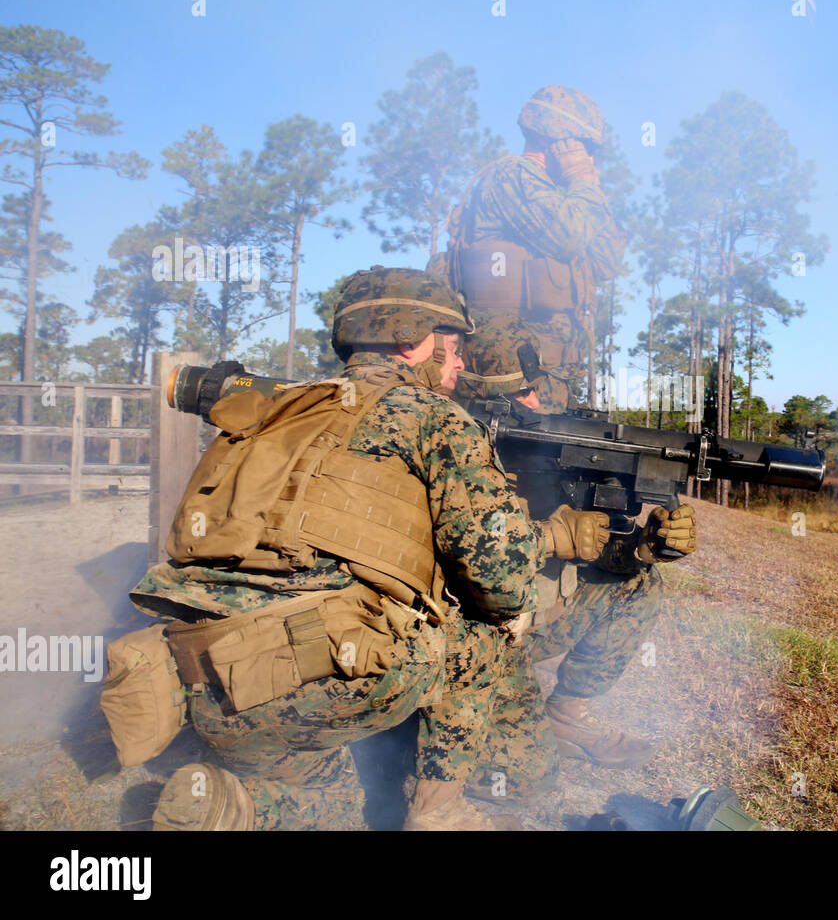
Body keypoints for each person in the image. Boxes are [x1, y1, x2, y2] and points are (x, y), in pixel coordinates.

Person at [127, 266, 596, 830]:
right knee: (483, 622)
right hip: (328, 678)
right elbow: (501, 581)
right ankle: (439, 813)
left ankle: (236, 808)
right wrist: (550, 539)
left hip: (203, 680)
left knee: (338, 805)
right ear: (409, 337)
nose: (459, 364)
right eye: (451, 348)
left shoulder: (277, 403)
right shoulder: (437, 419)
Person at [452, 320, 696, 790]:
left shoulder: (543, 456)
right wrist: (547, 537)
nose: (535, 404)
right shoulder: (452, 456)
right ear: (477, 399)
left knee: (635, 587)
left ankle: (567, 712)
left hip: (529, 623)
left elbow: (594, 553)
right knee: (525, 781)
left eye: (535, 390)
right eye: (519, 395)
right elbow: (457, 557)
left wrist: (644, 548)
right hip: (474, 639)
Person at [445, 84, 625, 409]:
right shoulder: (511, 174)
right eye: (584, 145)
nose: (590, 158)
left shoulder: (566, 198)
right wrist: (582, 182)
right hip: (508, 380)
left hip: (549, 376)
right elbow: (568, 237)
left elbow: (607, 262)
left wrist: (586, 184)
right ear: (553, 138)